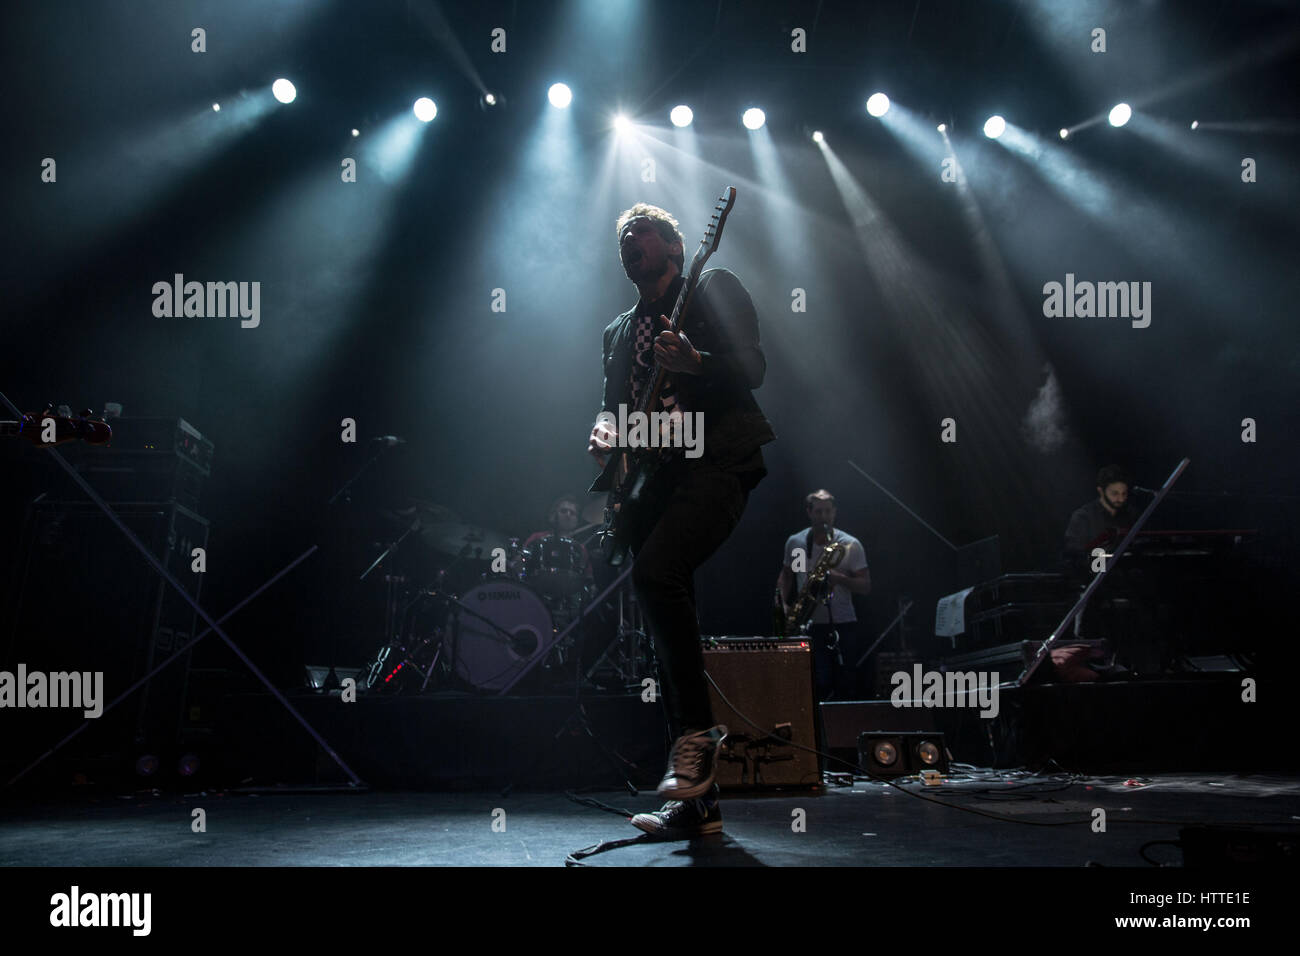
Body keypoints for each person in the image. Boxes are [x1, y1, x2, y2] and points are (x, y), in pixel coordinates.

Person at [587, 201, 775, 839]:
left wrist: (698, 363)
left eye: (638, 235)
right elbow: (614, 411)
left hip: (714, 467)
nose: (627, 246)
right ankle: (698, 799)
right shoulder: (618, 332)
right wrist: (606, 439)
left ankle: (696, 767)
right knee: (665, 632)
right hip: (653, 486)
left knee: (656, 574)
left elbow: (752, 367)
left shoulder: (712, 287)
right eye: (621, 242)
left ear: (673, 243)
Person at [775, 490, 871, 699]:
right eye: (818, 512)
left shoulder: (850, 545)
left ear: (835, 512)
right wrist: (783, 605)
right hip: (808, 624)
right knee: (818, 682)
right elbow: (788, 575)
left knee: (846, 681)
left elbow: (865, 586)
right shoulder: (797, 543)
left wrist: (839, 579)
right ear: (809, 512)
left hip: (842, 622)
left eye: (828, 512)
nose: (823, 517)